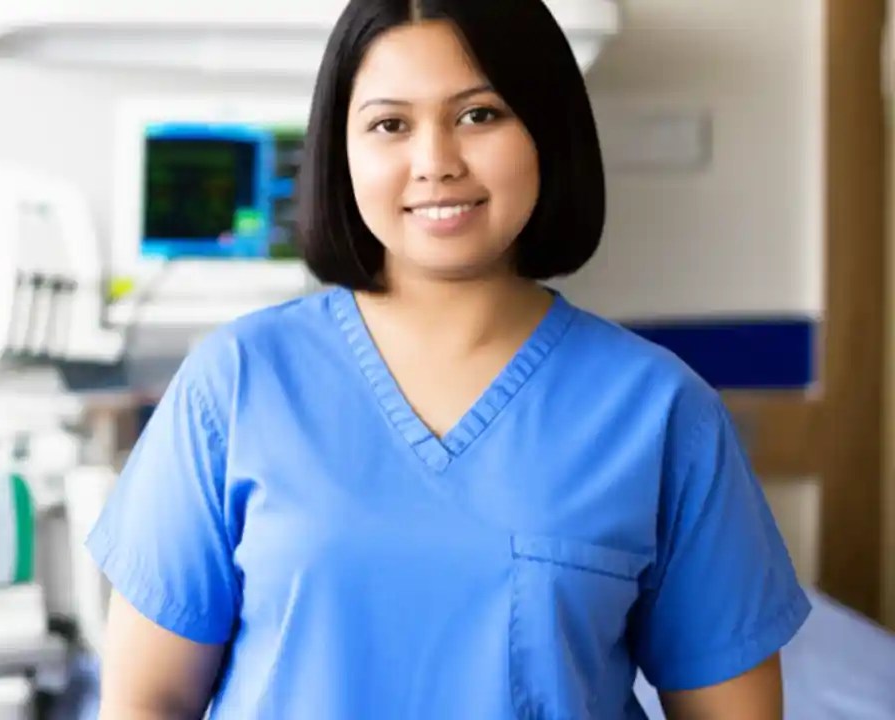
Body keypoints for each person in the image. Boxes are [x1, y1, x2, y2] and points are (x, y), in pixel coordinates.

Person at [85, 0, 812, 717]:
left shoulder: (659, 412)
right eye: (389, 124)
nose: (435, 163)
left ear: (545, 131)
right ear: (343, 152)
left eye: (479, 115)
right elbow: (148, 701)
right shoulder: (237, 382)